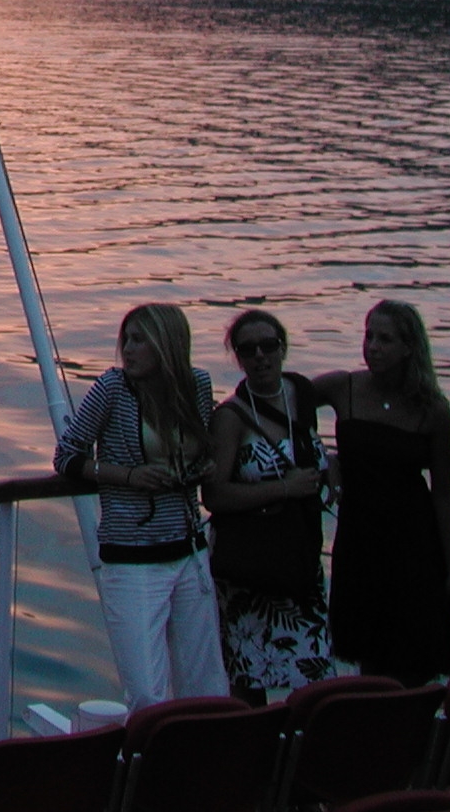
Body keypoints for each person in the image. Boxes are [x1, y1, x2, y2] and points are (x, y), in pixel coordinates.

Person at [55, 302, 225, 709]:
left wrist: (201, 468)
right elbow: (67, 457)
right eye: (126, 339)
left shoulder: (197, 386)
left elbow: (201, 447)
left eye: (139, 340)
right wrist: (129, 476)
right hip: (133, 558)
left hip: (189, 551)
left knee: (205, 683)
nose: (127, 350)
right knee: (147, 690)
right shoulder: (112, 389)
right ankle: (148, 747)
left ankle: (204, 748)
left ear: (167, 344)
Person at [313, 299, 450, 683]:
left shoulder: (432, 409)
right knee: (368, 653)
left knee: (414, 653)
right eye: (369, 336)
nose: (373, 347)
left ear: (409, 347)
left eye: (385, 339)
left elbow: (443, 492)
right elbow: (282, 405)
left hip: (413, 540)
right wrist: (323, 457)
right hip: (359, 537)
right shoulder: (342, 387)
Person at [202, 309, 335, 702]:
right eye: (248, 349)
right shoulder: (230, 417)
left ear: (282, 348)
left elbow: (309, 449)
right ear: (238, 358)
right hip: (250, 566)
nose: (260, 356)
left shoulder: (301, 394)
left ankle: (305, 739)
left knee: (314, 672)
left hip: (298, 559)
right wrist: (284, 489)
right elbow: (214, 496)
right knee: (250, 677)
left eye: (268, 345)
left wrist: (332, 464)